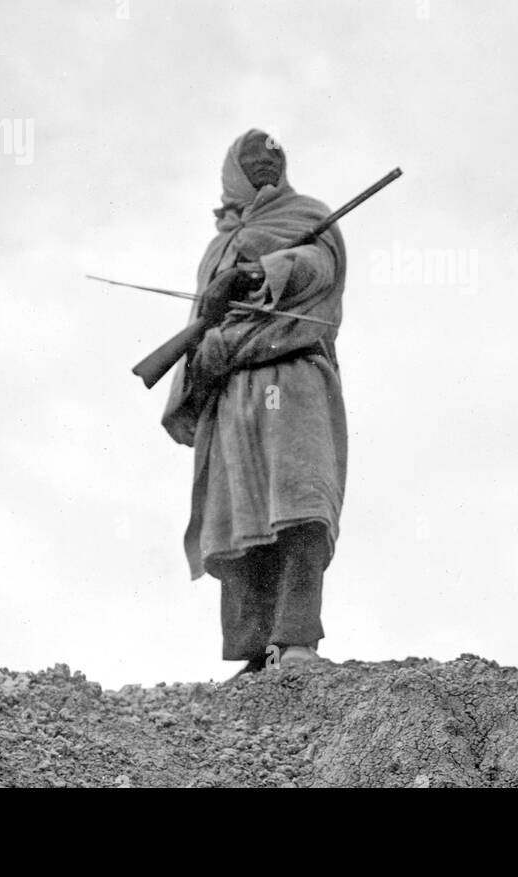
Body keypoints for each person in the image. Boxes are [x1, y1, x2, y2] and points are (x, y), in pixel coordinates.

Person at [160, 130, 348, 677]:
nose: (265, 168)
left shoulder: (307, 215)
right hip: (231, 388)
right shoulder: (213, 249)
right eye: (252, 163)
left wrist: (257, 272)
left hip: (291, 377)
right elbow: (202, 322)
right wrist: (213, 327)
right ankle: (253, 654)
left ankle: (295, 642)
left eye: (273, 160)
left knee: (299, 506)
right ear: (233, 174)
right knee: (241, 522)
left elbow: (319, 267)